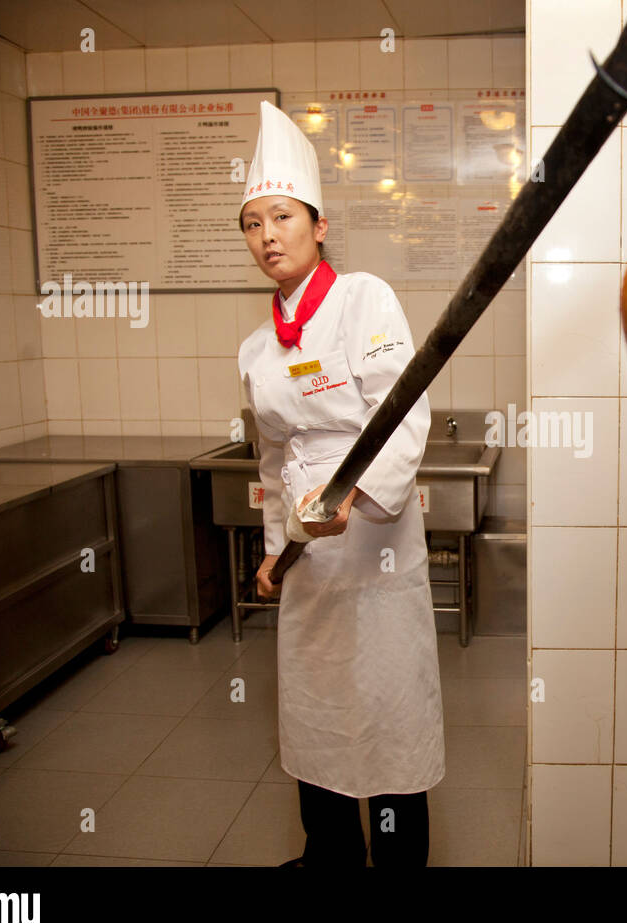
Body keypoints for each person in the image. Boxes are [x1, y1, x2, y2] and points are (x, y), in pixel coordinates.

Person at [235, 101, 444, 867]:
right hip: (309, 558)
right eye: (253, 224)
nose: (267, 237)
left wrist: (353, 496)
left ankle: (395, 862)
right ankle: (329, 856)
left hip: (375, 546)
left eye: (281, 217)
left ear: (318, 225)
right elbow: (270, 460)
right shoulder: (257, 348)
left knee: (388, 710)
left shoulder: (364, 299)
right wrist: (272, 550)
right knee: (316, 710)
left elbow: (404, 411)